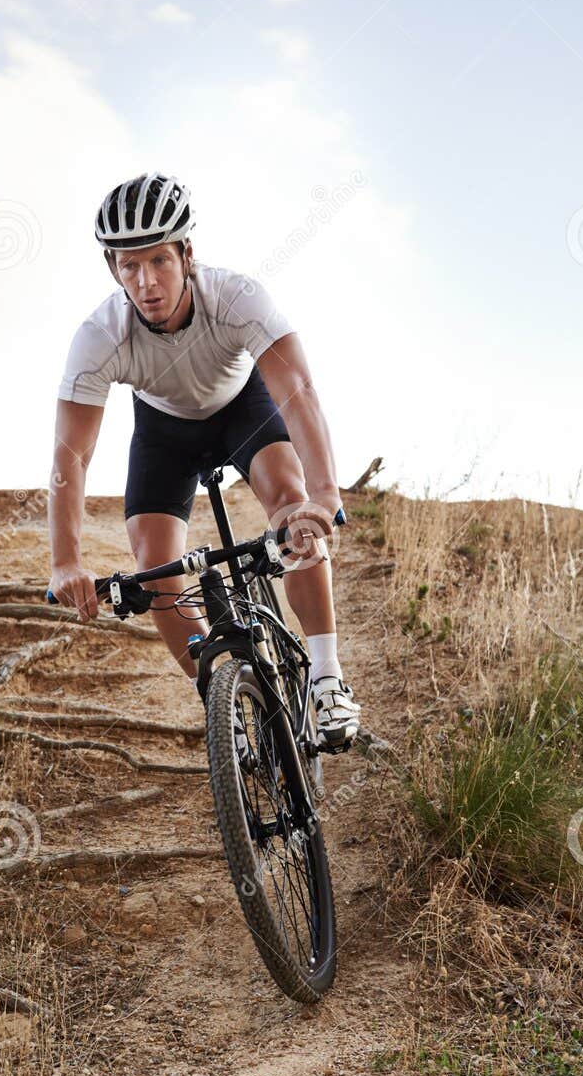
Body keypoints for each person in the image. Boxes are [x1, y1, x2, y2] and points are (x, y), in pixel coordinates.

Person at [48, 171, 361, 750]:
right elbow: (73, 453)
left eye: (159, 261)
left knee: (292, 508)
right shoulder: (100, 336)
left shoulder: (236, 297)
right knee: (155, 565)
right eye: (129, 266)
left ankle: (326, 677)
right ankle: (223, 703)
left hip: (243, 408)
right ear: (113, 269)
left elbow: (297, 392)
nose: (146, 282)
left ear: (187, 254)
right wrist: (66, 560)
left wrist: (324, 494)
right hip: (164, 432)